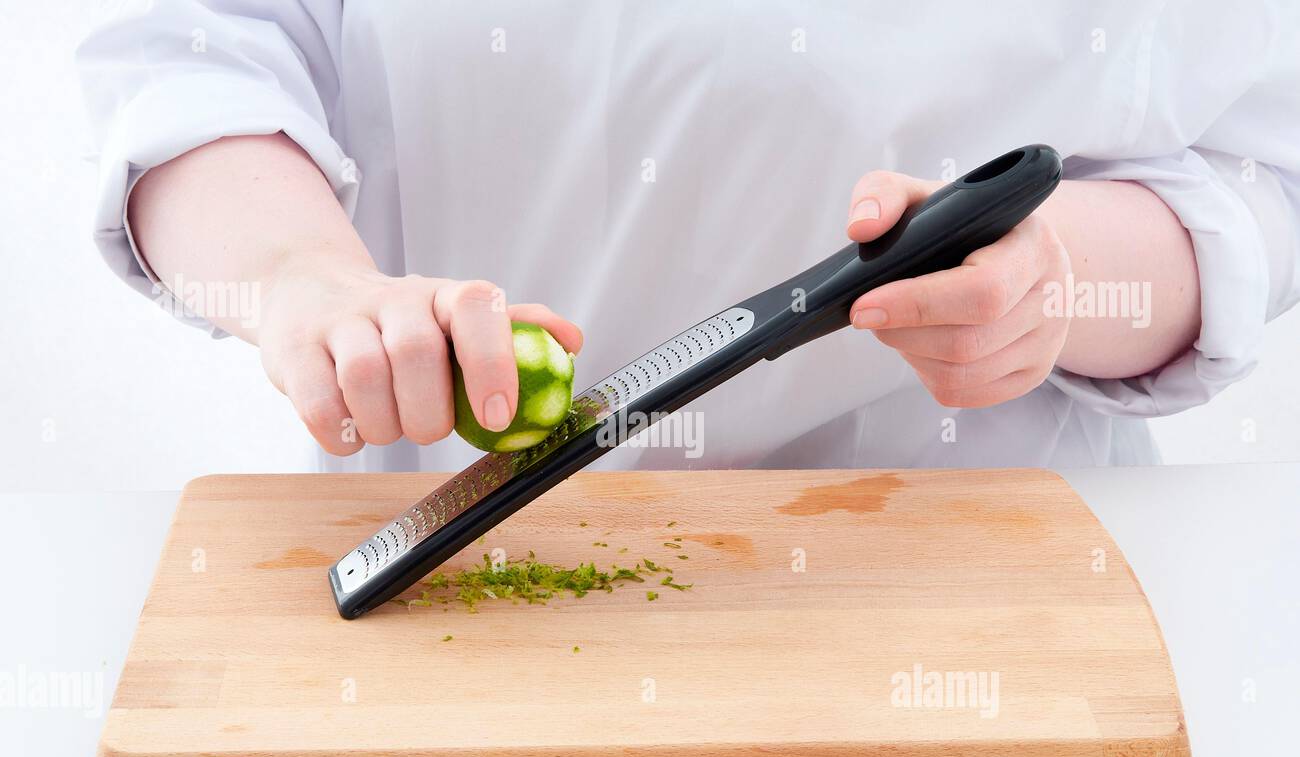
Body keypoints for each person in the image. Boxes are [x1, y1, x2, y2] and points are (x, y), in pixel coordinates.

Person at [76, 1, 1300, 473]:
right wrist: (300, 277)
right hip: (445, 596)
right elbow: (199, 57)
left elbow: (1260, 172)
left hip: (955, 597)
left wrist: (1067, 276)